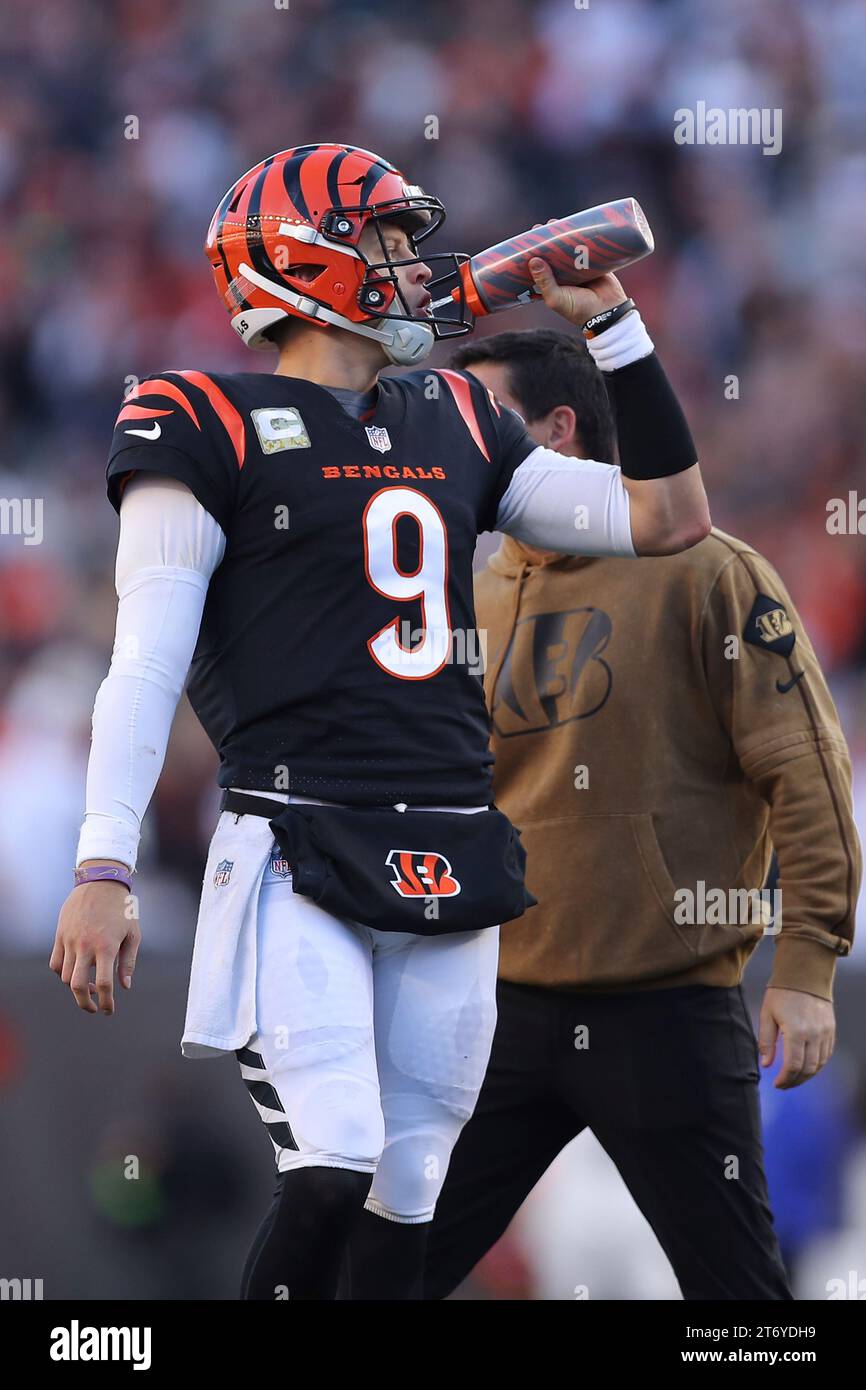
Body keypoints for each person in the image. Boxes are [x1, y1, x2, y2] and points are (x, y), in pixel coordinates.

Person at [50, 144, 710, 1302]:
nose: (413, 267)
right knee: (332, 1166)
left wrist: (614, 328)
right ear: (304, 262)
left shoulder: (454, 410)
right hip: (297, 841)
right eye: (386, 241)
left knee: (406, 1195)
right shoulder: (199, 416)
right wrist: (102, 856)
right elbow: (143, 661)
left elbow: (663, 519)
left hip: (452, 834)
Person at [421, 327, 861, 1301]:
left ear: (558, 429)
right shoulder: (469, 591)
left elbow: (808, 770)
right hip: (502, 1012)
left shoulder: (708, 569)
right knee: (374, 1271)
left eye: (481, 416)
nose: (458, 442)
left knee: (742, 1304)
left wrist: (805, 967)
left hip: (666, 1008)